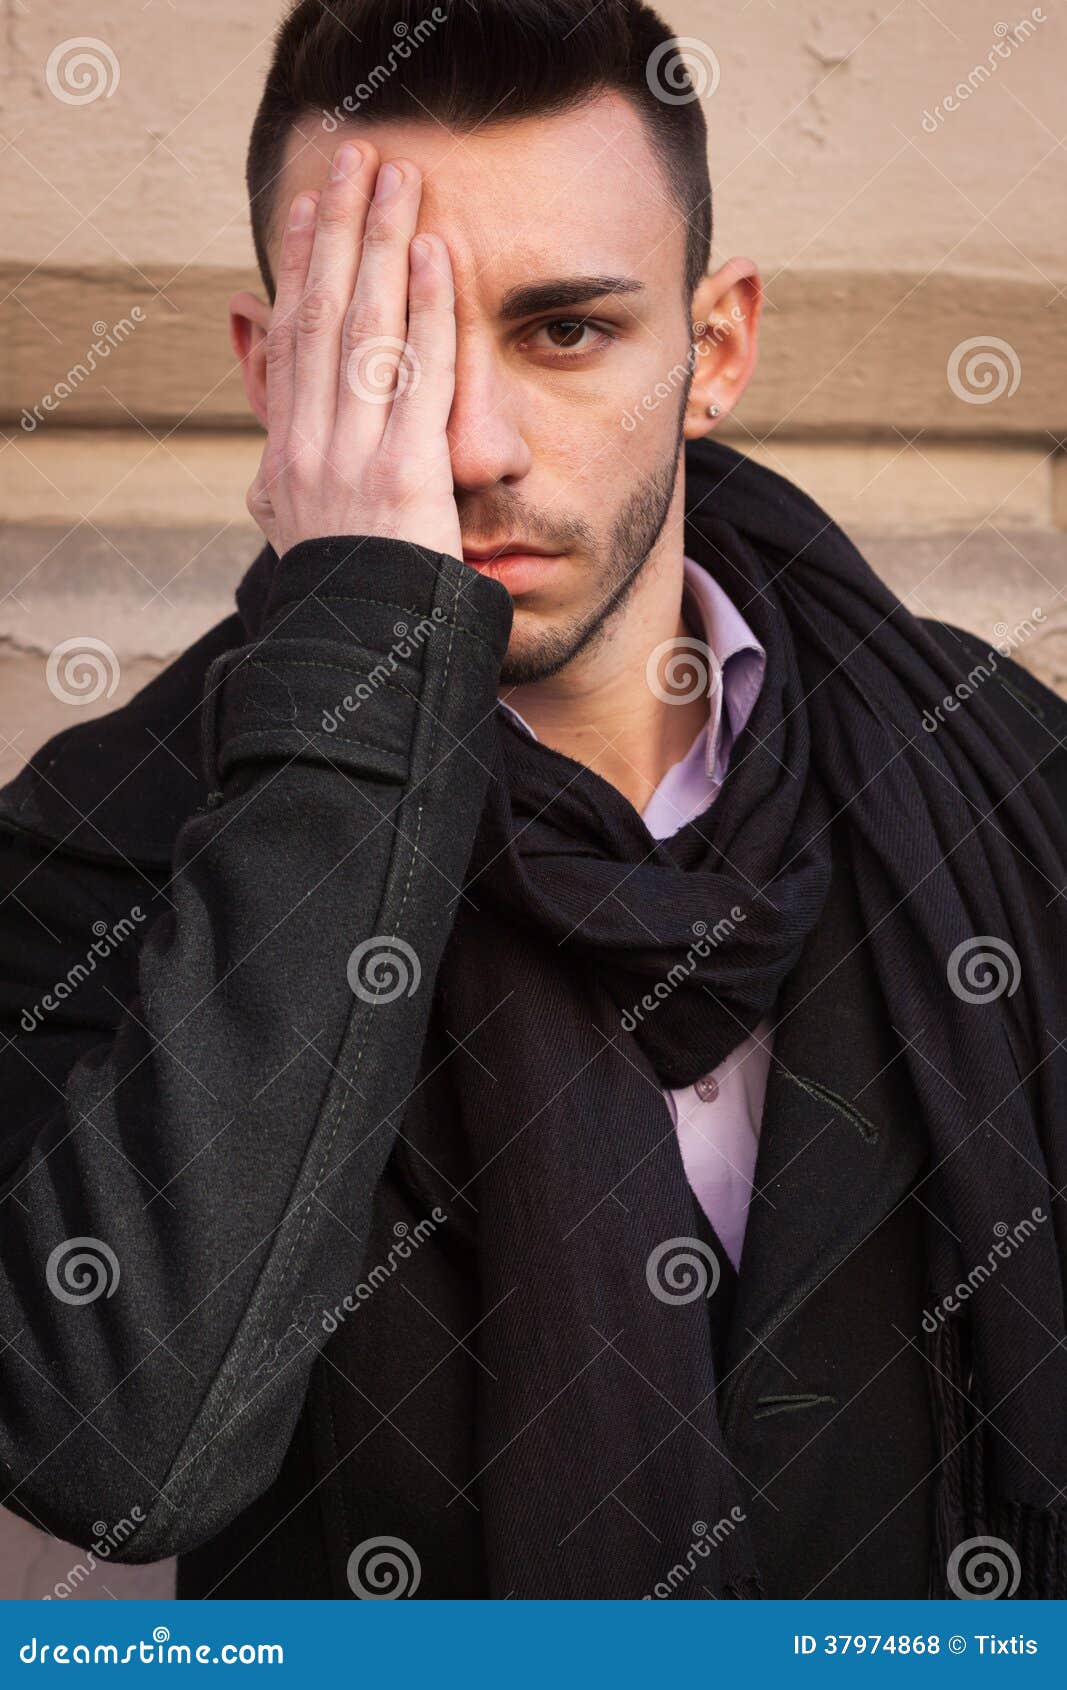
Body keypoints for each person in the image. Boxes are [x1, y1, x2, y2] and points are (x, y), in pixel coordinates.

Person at [0, 0, 1064, 1601]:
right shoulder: (102, 835)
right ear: (268, 373)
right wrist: (361, 652)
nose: (474, 444)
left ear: (714, 349)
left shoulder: (1004, 777)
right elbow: (123, 1450)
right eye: (384, 354)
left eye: (565, 330)